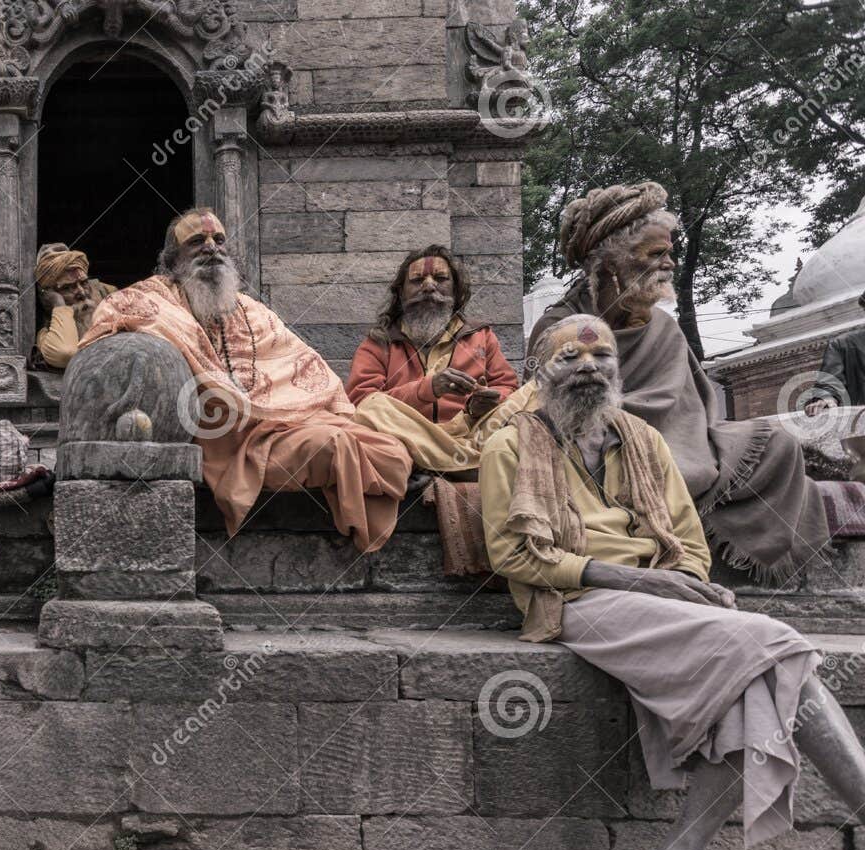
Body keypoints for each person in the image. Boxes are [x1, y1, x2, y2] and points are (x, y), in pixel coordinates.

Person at [480, 314, 865, 850]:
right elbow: (514, 557)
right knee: (773, 641)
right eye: (567, 355)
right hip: (575, 600)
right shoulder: (510, 446)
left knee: (758, 678)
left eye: (600, 354)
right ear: (538, 373)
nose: (587, 365)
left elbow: (686, 543)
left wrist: (684, 580)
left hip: (663, 600)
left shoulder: (643, 441)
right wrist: (641, 584)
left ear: (617, 370)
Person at [529, 181, 829, 584]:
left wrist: (665, 438)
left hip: (680, 440)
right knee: (639, 464)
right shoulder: (558, 326)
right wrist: (621, 429)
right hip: (595, 446)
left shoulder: (665, 327)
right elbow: (549, 407)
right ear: (613, 263)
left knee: (780, 444)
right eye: (656, 254)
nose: (669, 263)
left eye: (670, 252)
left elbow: (689, 410)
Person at [79, 208, 410, 550]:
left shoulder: (252, 310)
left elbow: (303, 365)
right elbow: (111, 316)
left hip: (289, 425)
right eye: (197, 241)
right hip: (228, 440)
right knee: (334, 447)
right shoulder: (151, 299)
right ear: (173, 258)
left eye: (218, 240)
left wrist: (296, 411)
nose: (211, 248)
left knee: (392, 450)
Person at [347, 245, 518, 423]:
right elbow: (361, 402)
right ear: (401, 292)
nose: (429, 286)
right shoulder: (380, 341)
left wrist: (485, 403)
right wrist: (426, 389)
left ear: (456, 289)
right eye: (417, 279)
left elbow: (508, 387)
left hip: (471, 436)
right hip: (401, 439)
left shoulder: (480, 336)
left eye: (440, 278)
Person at [32, 243, 114, 370]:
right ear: (49, 296)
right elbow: (65, 353)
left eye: (83, 282)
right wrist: (59, 305)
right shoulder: (46, 332)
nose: (81, 292)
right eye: (67, 287)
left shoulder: (105, 292)